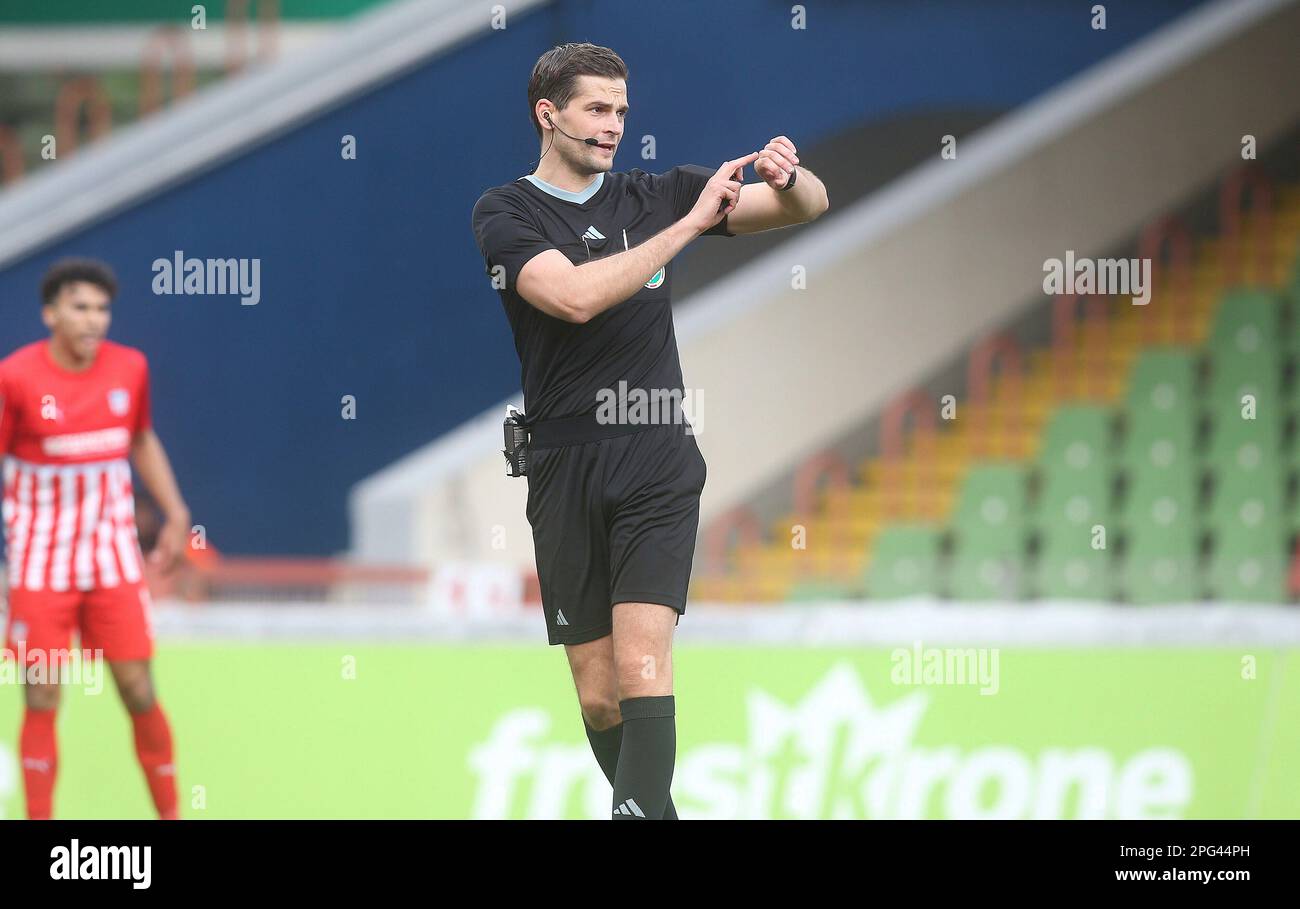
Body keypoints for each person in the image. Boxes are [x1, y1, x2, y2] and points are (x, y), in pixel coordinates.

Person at [471, 43, 828, 819]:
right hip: (562, 464)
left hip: (655, 455)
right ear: (549, 114)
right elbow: (570, 297)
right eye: (597, 109)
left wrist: (789, 178)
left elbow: (808, 209)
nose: (613, 126)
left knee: (641, 664)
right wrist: (687, 230)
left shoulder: (658, 192)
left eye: (622, 111)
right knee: (599, 698)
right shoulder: (505, 212)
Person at [0, 258, 191, 819]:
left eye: (102, 309)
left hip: (111, 558)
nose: (93, 321)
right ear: (50, 313)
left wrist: (176, 512)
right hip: (40, 563)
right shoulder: (15, 378)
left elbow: (141, 438)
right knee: (42, 694)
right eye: (80, 307)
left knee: (138, 690)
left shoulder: (129, 368)